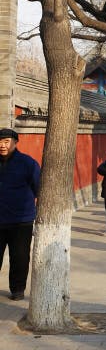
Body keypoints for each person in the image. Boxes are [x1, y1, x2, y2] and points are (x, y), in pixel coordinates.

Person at [0, 128, 40, 301]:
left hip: (20, 220)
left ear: (15, 143)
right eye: (0, 141)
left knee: (20, 256)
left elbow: (37, 188)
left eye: (6, 141)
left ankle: (17, 289)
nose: (2, 145)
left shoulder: (27, 163)